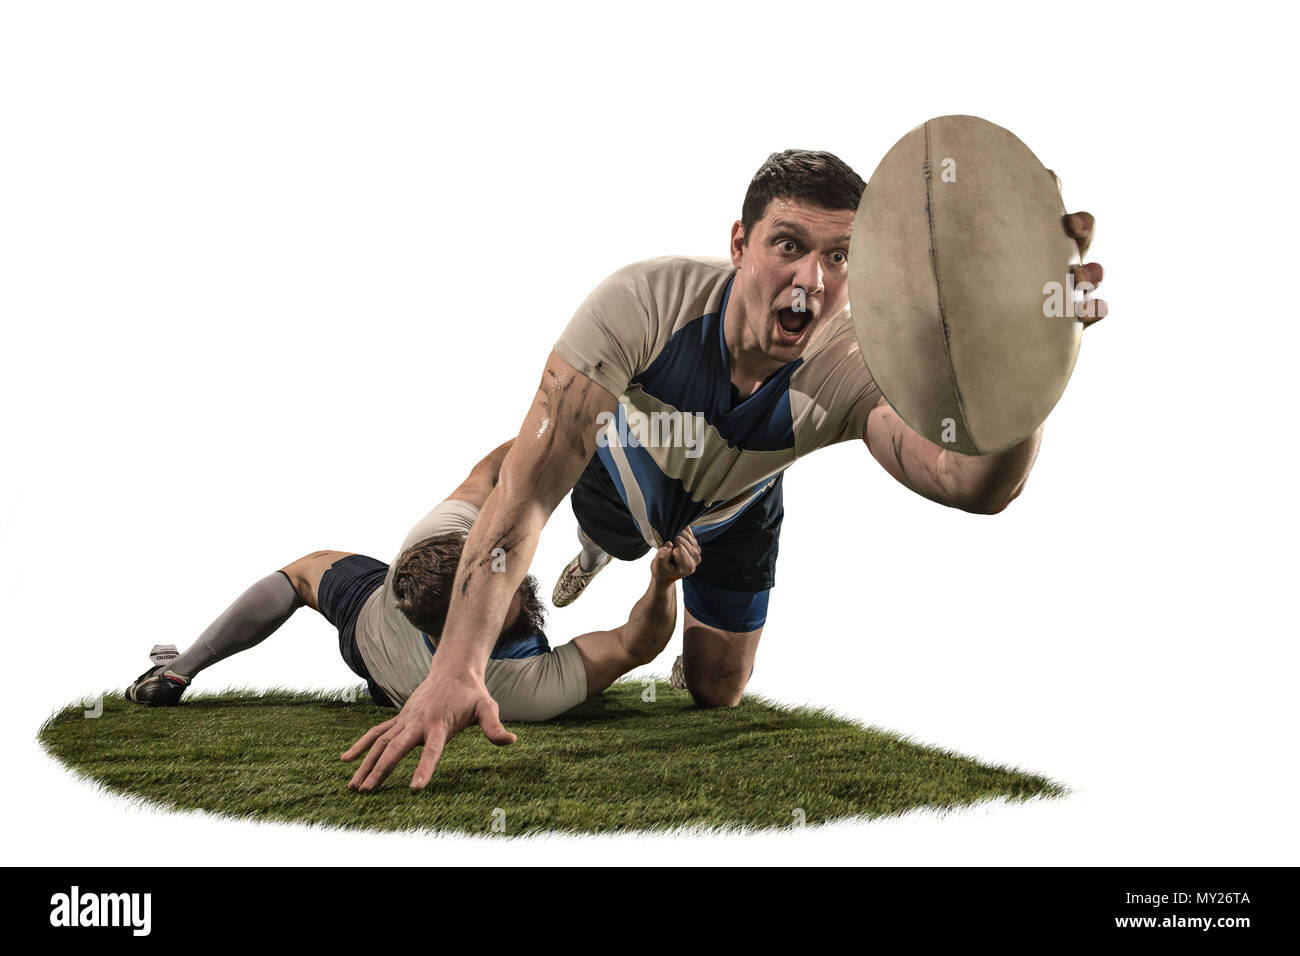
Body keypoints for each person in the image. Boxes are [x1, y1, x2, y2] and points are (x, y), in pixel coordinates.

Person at [343, 148, 1108, 793]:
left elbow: (974, 487)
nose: (812, 280)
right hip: (624, 477)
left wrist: (1035, 367)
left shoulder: (854, 362)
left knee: (718, 694)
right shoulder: (641, 303)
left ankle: (665, 597)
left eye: (840, 256)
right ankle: (598, 556)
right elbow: (524, 498)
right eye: (788, 245)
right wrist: (458, 665)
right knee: (598, 528)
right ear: (740, 242)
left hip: (737, 514)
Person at [126, 440, 702, 720]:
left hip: (370, 636)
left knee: (306, 571)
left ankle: (179, 670)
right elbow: (635, 645)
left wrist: (570, 431)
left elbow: (491, 472)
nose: (507, 566)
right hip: (398, 670)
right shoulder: (522, 687)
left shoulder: (424, 552)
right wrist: (663, 581)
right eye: (495, 584)